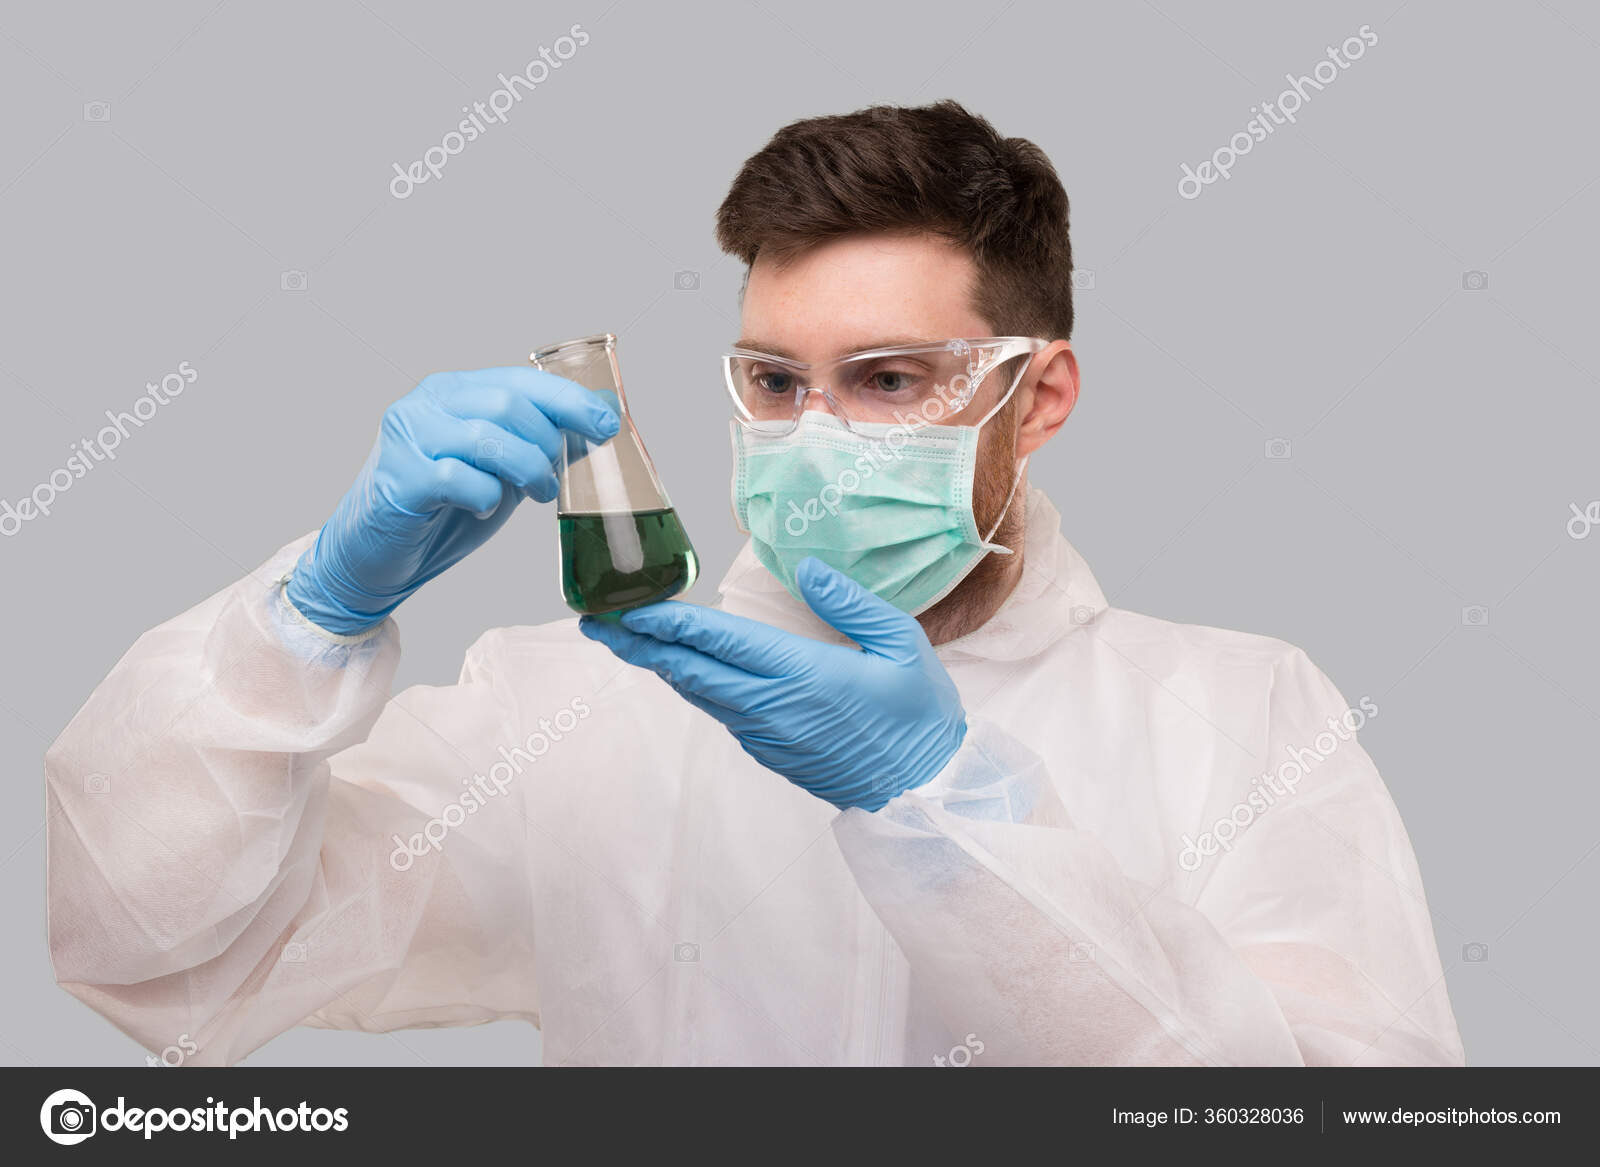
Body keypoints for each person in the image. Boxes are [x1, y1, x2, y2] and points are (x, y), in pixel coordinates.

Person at [44, 101, 1463, 1066]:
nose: (815, 438)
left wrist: (945, 809)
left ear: (1038, 399)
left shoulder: (1233, 715)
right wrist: (307, 624)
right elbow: (163, 964)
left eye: (888, 379)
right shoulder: (572, 711)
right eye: (777, 382)